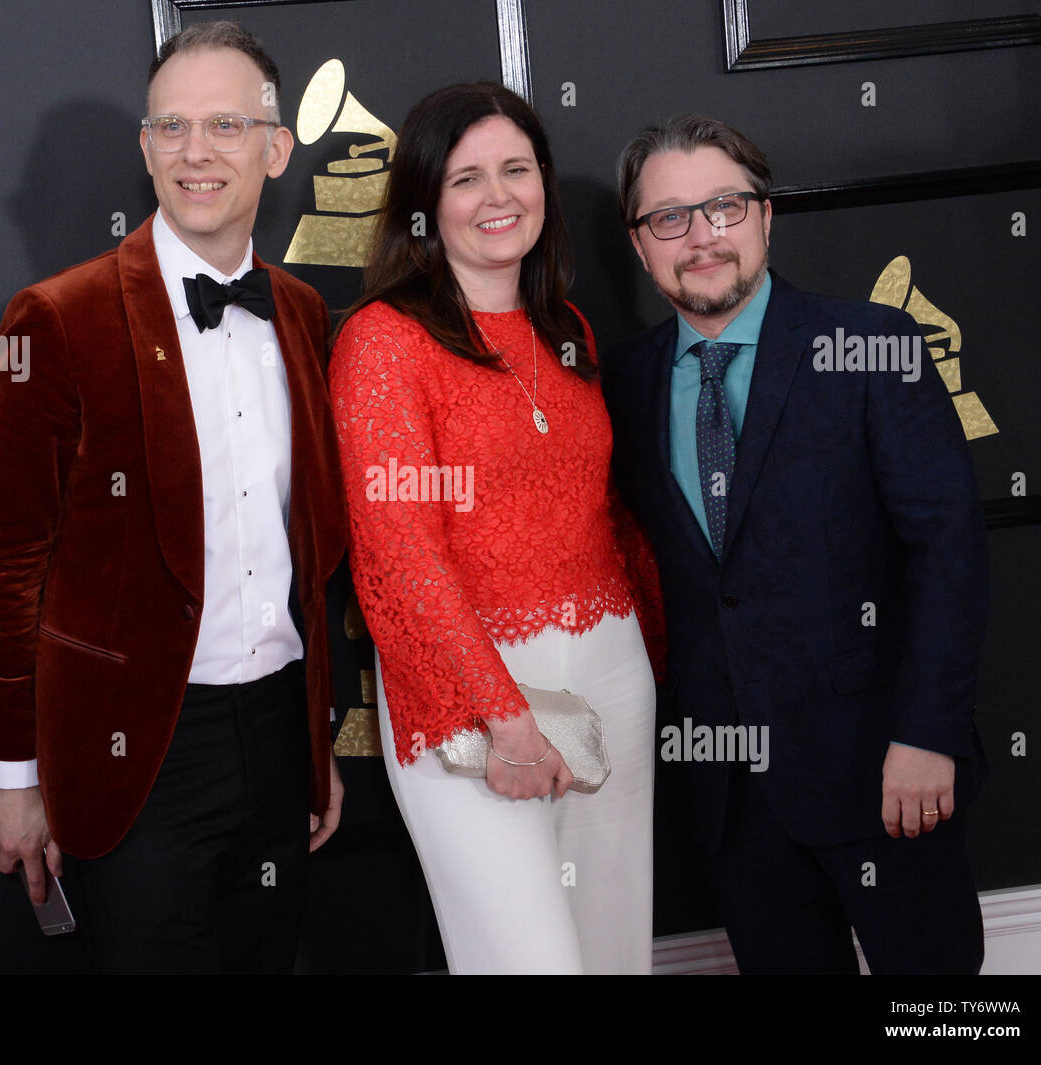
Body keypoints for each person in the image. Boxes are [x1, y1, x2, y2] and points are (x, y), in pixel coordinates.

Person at [0, 21, 347, 973]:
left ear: (276, 146)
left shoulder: (298, 312)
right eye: (171, 128)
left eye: (224, 124)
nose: (196, 152)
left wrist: (314, 735)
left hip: (276, 739)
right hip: (140, 750)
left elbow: (311, 551)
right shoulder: (58, 316)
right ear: (145, 148)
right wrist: (13, 771)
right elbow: (4, 561)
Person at [603, 114, 988, 974]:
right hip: (731, 792)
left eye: (725, 207)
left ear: (766, 217)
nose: (702, 238)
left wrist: (929, 734)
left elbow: (948, 553)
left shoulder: (874, 347)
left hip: (888, 771)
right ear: (639, 245)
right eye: (669, 217)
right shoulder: (619, 384)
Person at [329, 81, 666, 974]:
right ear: (425, 206)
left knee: (614, 954)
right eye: (467, 177)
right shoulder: (384, 341)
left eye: (517, 169)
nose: (498, 196)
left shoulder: (570, 330)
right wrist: (506, 717)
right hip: (473, 698)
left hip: (614, 679)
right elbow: (399, 550)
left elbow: (602, 512)